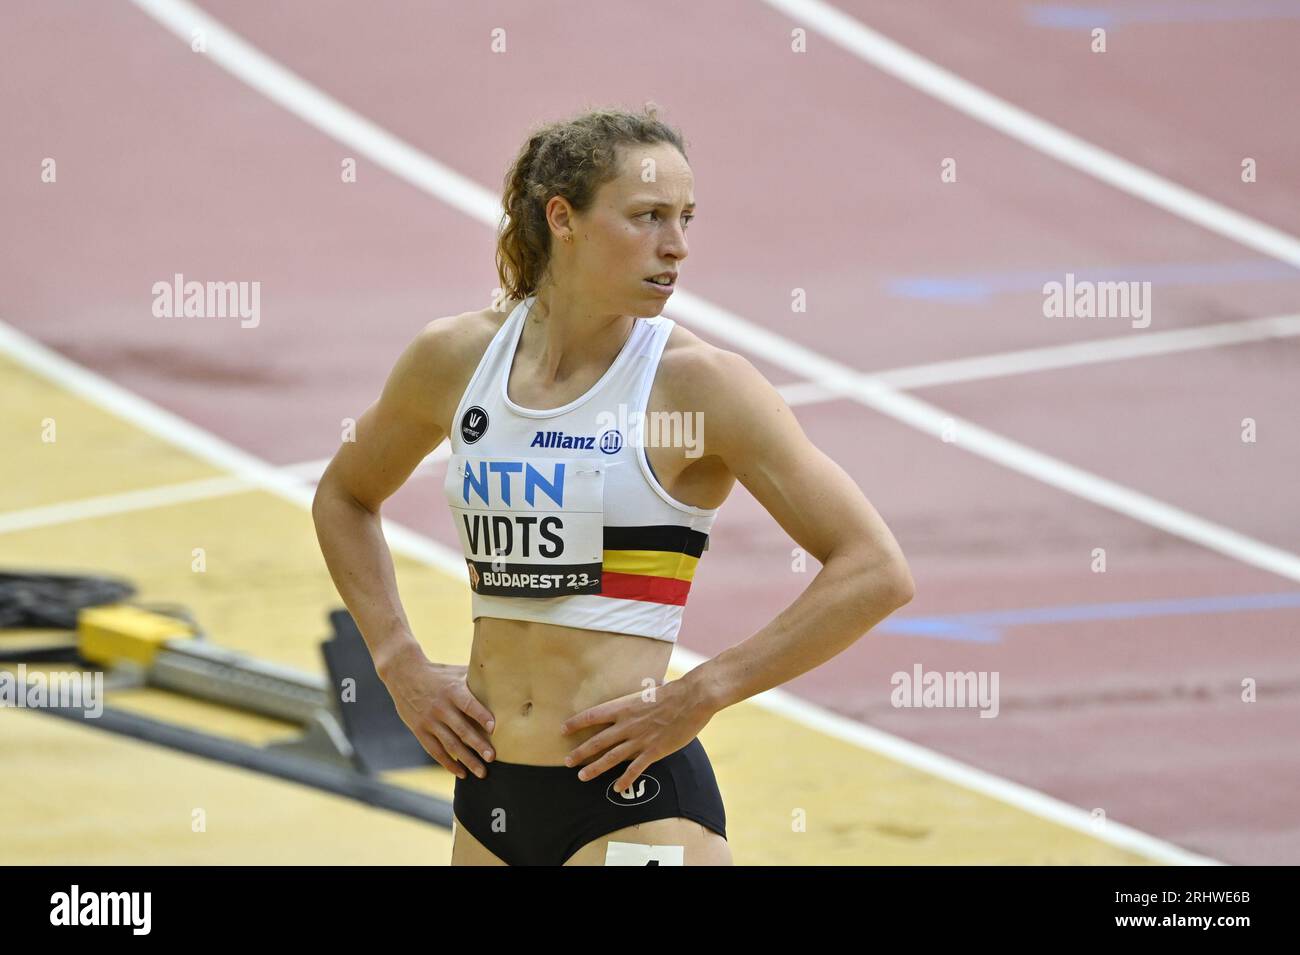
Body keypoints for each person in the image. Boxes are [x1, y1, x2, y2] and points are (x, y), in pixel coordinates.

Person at [312, 105, 914, 866]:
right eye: (648, 217)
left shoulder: (698, 386)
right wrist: (397, 660)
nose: (678, 246)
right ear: (563, 218)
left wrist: (703, 691)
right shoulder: (457, 360)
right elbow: (344, 496)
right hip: (490, 793)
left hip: (632, 799)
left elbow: (875, 568)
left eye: (686, 218)